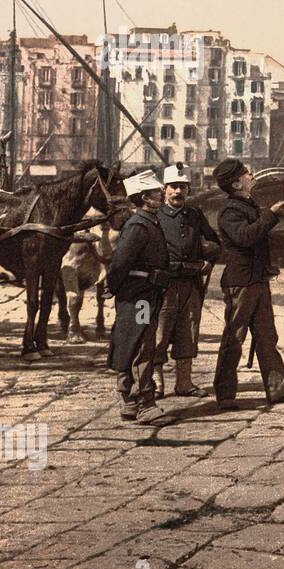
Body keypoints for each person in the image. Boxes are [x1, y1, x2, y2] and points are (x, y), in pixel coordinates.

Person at [211, 158, 284, 409]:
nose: (252, 175)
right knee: (234, 338)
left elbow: (258, 235)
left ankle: (278, 390)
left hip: (257, 279)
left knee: (267, 336)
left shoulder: (247, 205)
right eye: (247, 173)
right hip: (241, 282)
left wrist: (280, 236)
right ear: (236, 183)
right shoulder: (230, 211)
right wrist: (271, 215)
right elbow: (245, 237)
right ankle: (225, 394)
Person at [106, 169, 169, 424]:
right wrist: (115, 287)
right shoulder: (138, 226)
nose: (161, 194)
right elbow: (119, 264)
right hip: (140, 296)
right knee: (142, 344)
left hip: (144, 294)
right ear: (144, 198)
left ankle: (129, 400)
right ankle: (145, 403)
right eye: (156, 192)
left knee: (132, 343)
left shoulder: (148, 222)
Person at [154, 162, 220, 398]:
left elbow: (213, 243)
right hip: (164, 285)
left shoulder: (195, 215)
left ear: (189, 190)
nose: (178, 192)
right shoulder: (156, 215)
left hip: (191, 285)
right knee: (159, 334)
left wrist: (209, 260)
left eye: (183, 187)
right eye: (173, 187)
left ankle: (184, 382)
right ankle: (156, 383)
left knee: (188, 332)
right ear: (164, 189)